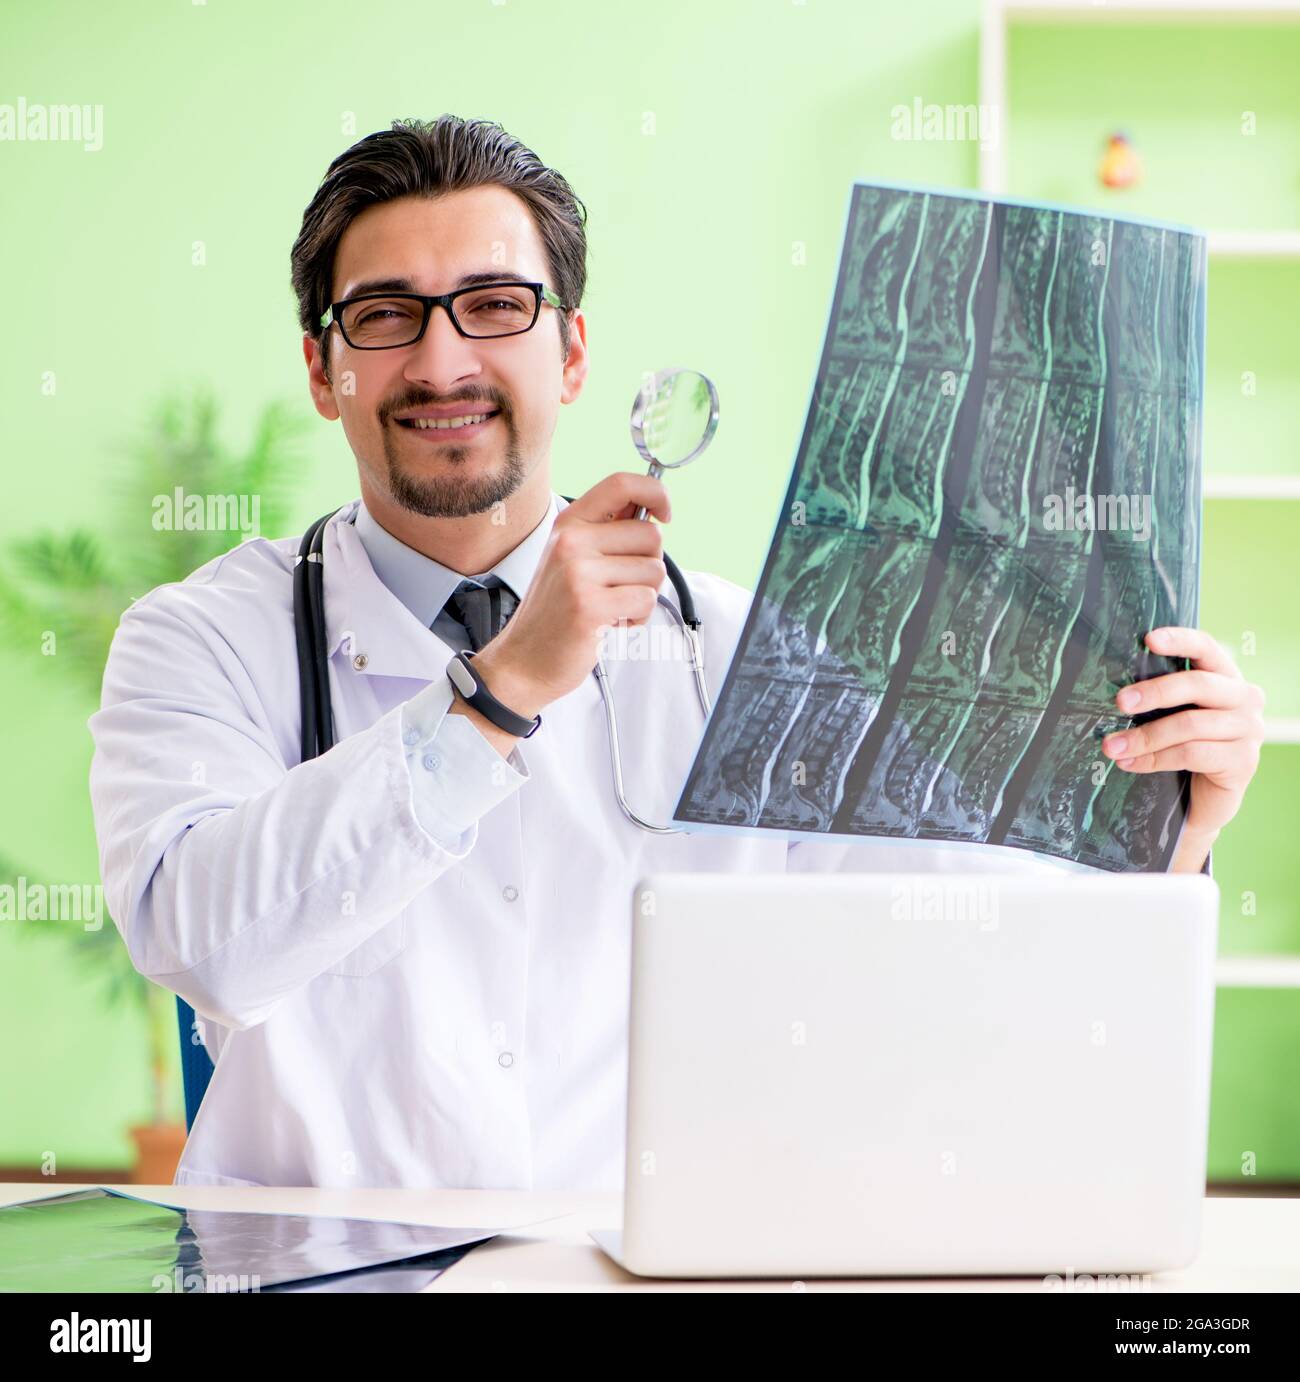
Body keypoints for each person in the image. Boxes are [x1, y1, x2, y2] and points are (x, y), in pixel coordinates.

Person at [88, 115, 1264, 1191]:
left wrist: (1177, 822)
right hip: (330, 1280)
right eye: (385, 316)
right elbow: (200, 939)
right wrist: (498, 692)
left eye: (495, 304)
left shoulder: (743, 647)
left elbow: (968, 931)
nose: (442, 363)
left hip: (639, 1273)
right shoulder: (202, 639)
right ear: (321, 369)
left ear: (573, 352)